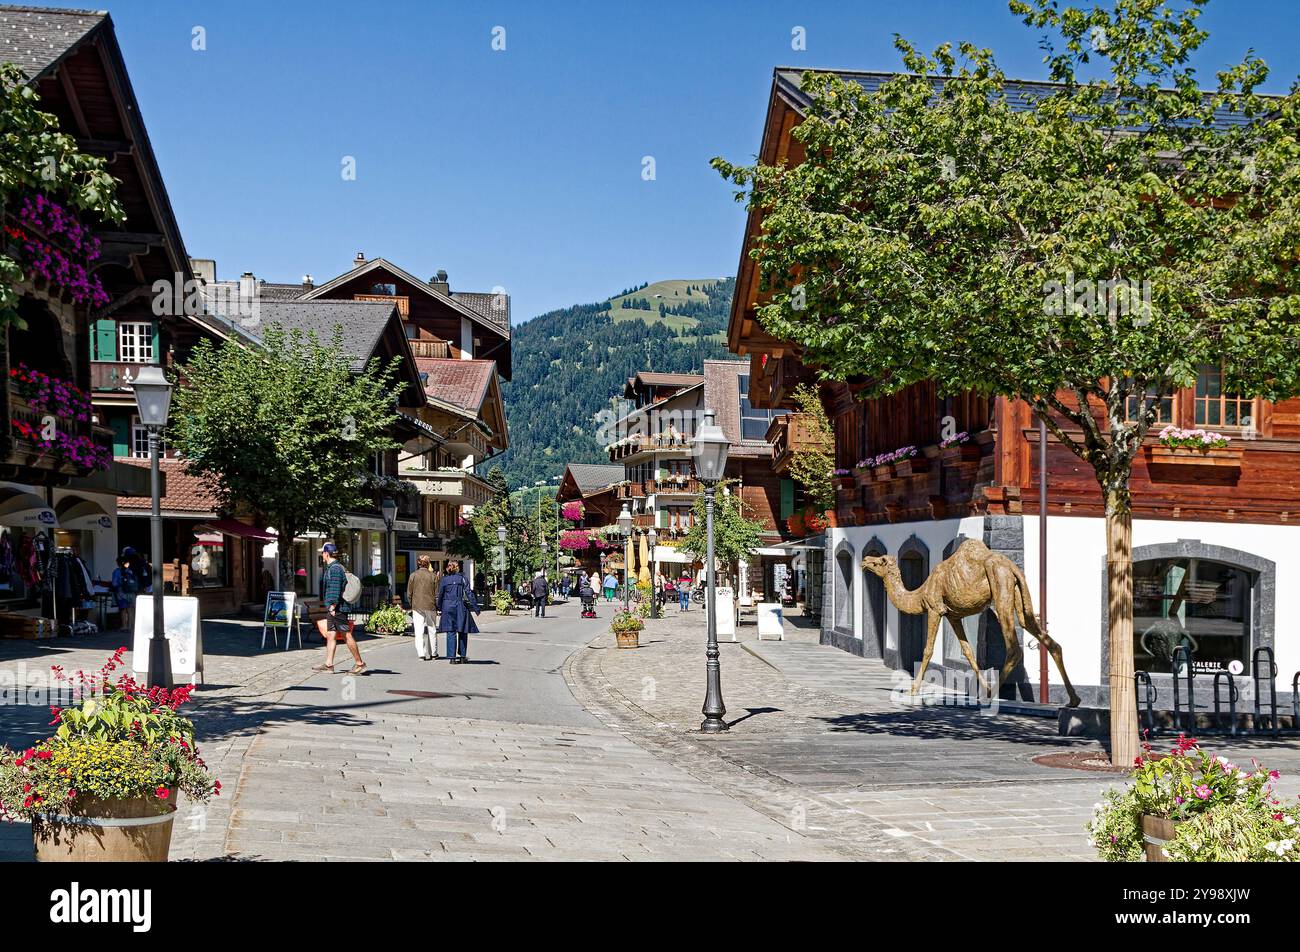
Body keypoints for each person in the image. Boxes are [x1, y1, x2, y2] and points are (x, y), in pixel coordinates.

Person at [312, 543, 366, 675]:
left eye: (322, 553)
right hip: (335, 608)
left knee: (346, 635)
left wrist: (333, 606)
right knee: (331, 635)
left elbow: (335, 589)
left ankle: (360, 664)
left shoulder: (335, 569)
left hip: (338, 608)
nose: (322, 555)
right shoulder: (333, 567)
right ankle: (329, 664)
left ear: (326, 553)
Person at [437, 560, 479, 663]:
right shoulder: (463, 579)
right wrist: (476, 607)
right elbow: (469, 594)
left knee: (451, 631)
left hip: (447, 606)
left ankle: (451, 658)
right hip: (460, 606)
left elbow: (440, 594)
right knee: (462, 630)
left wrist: (439, 607)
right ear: (458, 568)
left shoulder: (444, 580)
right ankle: (462, 656)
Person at [407, 554, 439, 661]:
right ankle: (433, 653)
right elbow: (436, 593)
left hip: (417, 605)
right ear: (428, 563)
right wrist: (437, 606)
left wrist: (412, 604)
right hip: (430, 605)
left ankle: (421, 653)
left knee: (419, 630)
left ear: (418, 563)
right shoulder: (433, 576)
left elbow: (409, 593)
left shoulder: (413, 575)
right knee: (432, 629)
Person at [110, 556, 139, 632]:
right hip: (131, 592)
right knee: (131, 609)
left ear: (118, 563)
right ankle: (131, 627)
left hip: (121, 593)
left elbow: (114, 583)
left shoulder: (116, 571)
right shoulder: (130, 571)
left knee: (123, 610)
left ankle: (124, 626)